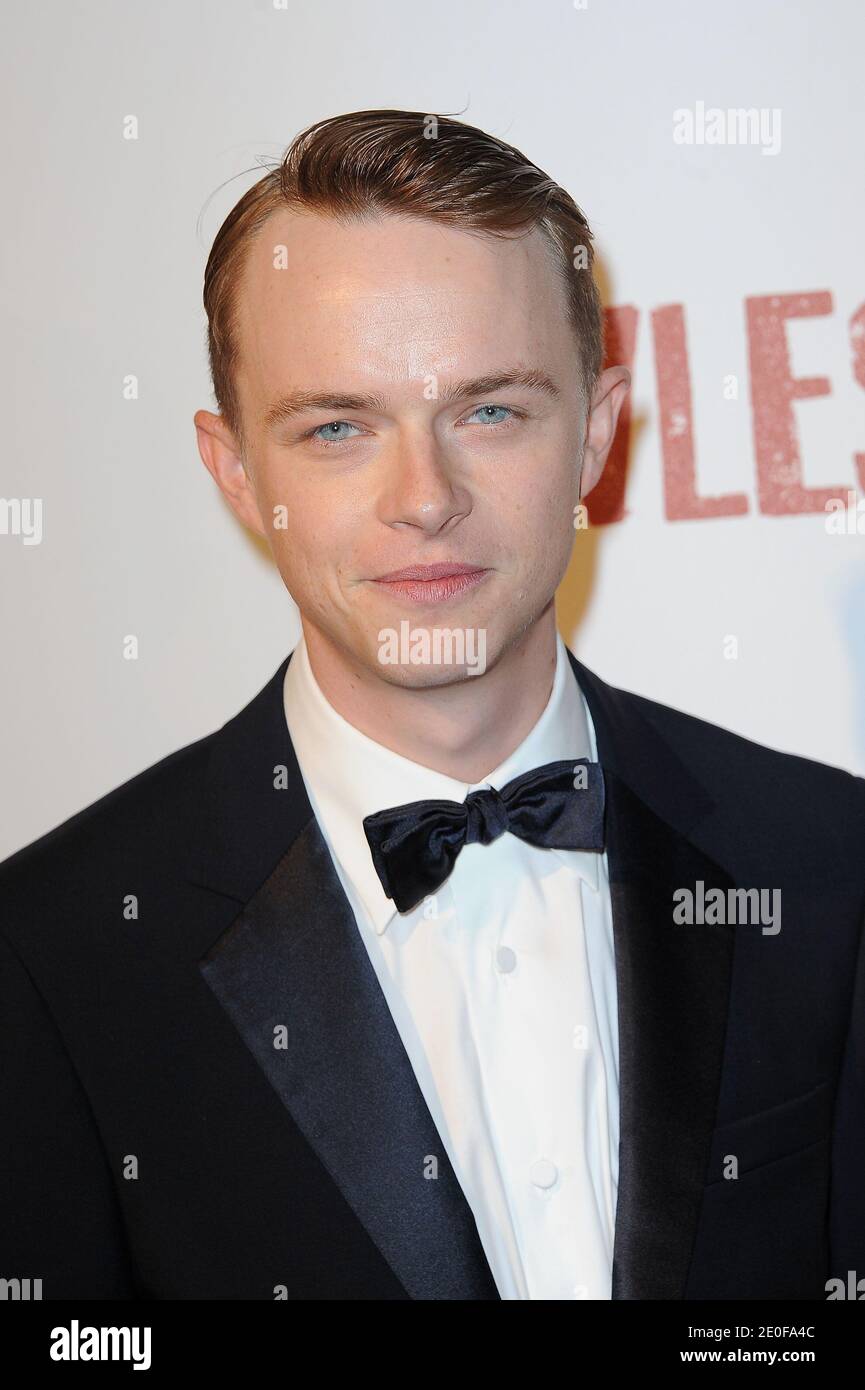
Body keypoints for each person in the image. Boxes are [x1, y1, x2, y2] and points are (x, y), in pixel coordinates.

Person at [1, 109, 863, 1302]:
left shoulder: (830, 864)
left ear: (597, 433)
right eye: (339, 427)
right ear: (238, 473)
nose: (425, 498)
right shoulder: (51, 955)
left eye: (490, 411)